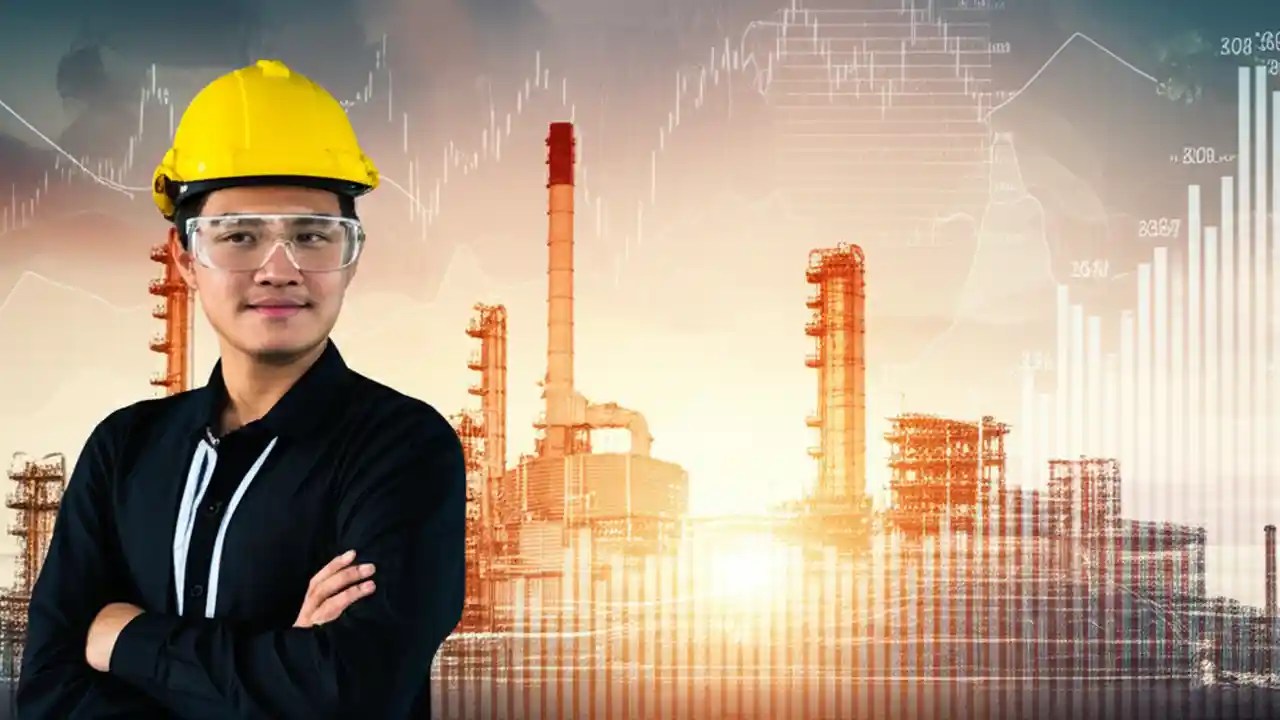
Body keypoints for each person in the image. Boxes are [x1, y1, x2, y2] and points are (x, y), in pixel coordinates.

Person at [16, 59, 466, 719]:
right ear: (184, 259)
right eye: (239, 236)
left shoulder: (404, 450)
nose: (278, 269)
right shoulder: (123, 450)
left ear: (353, 256)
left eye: (313, 236)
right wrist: (280, 662)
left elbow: (349, 693)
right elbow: (47, 692)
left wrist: (125, 637)